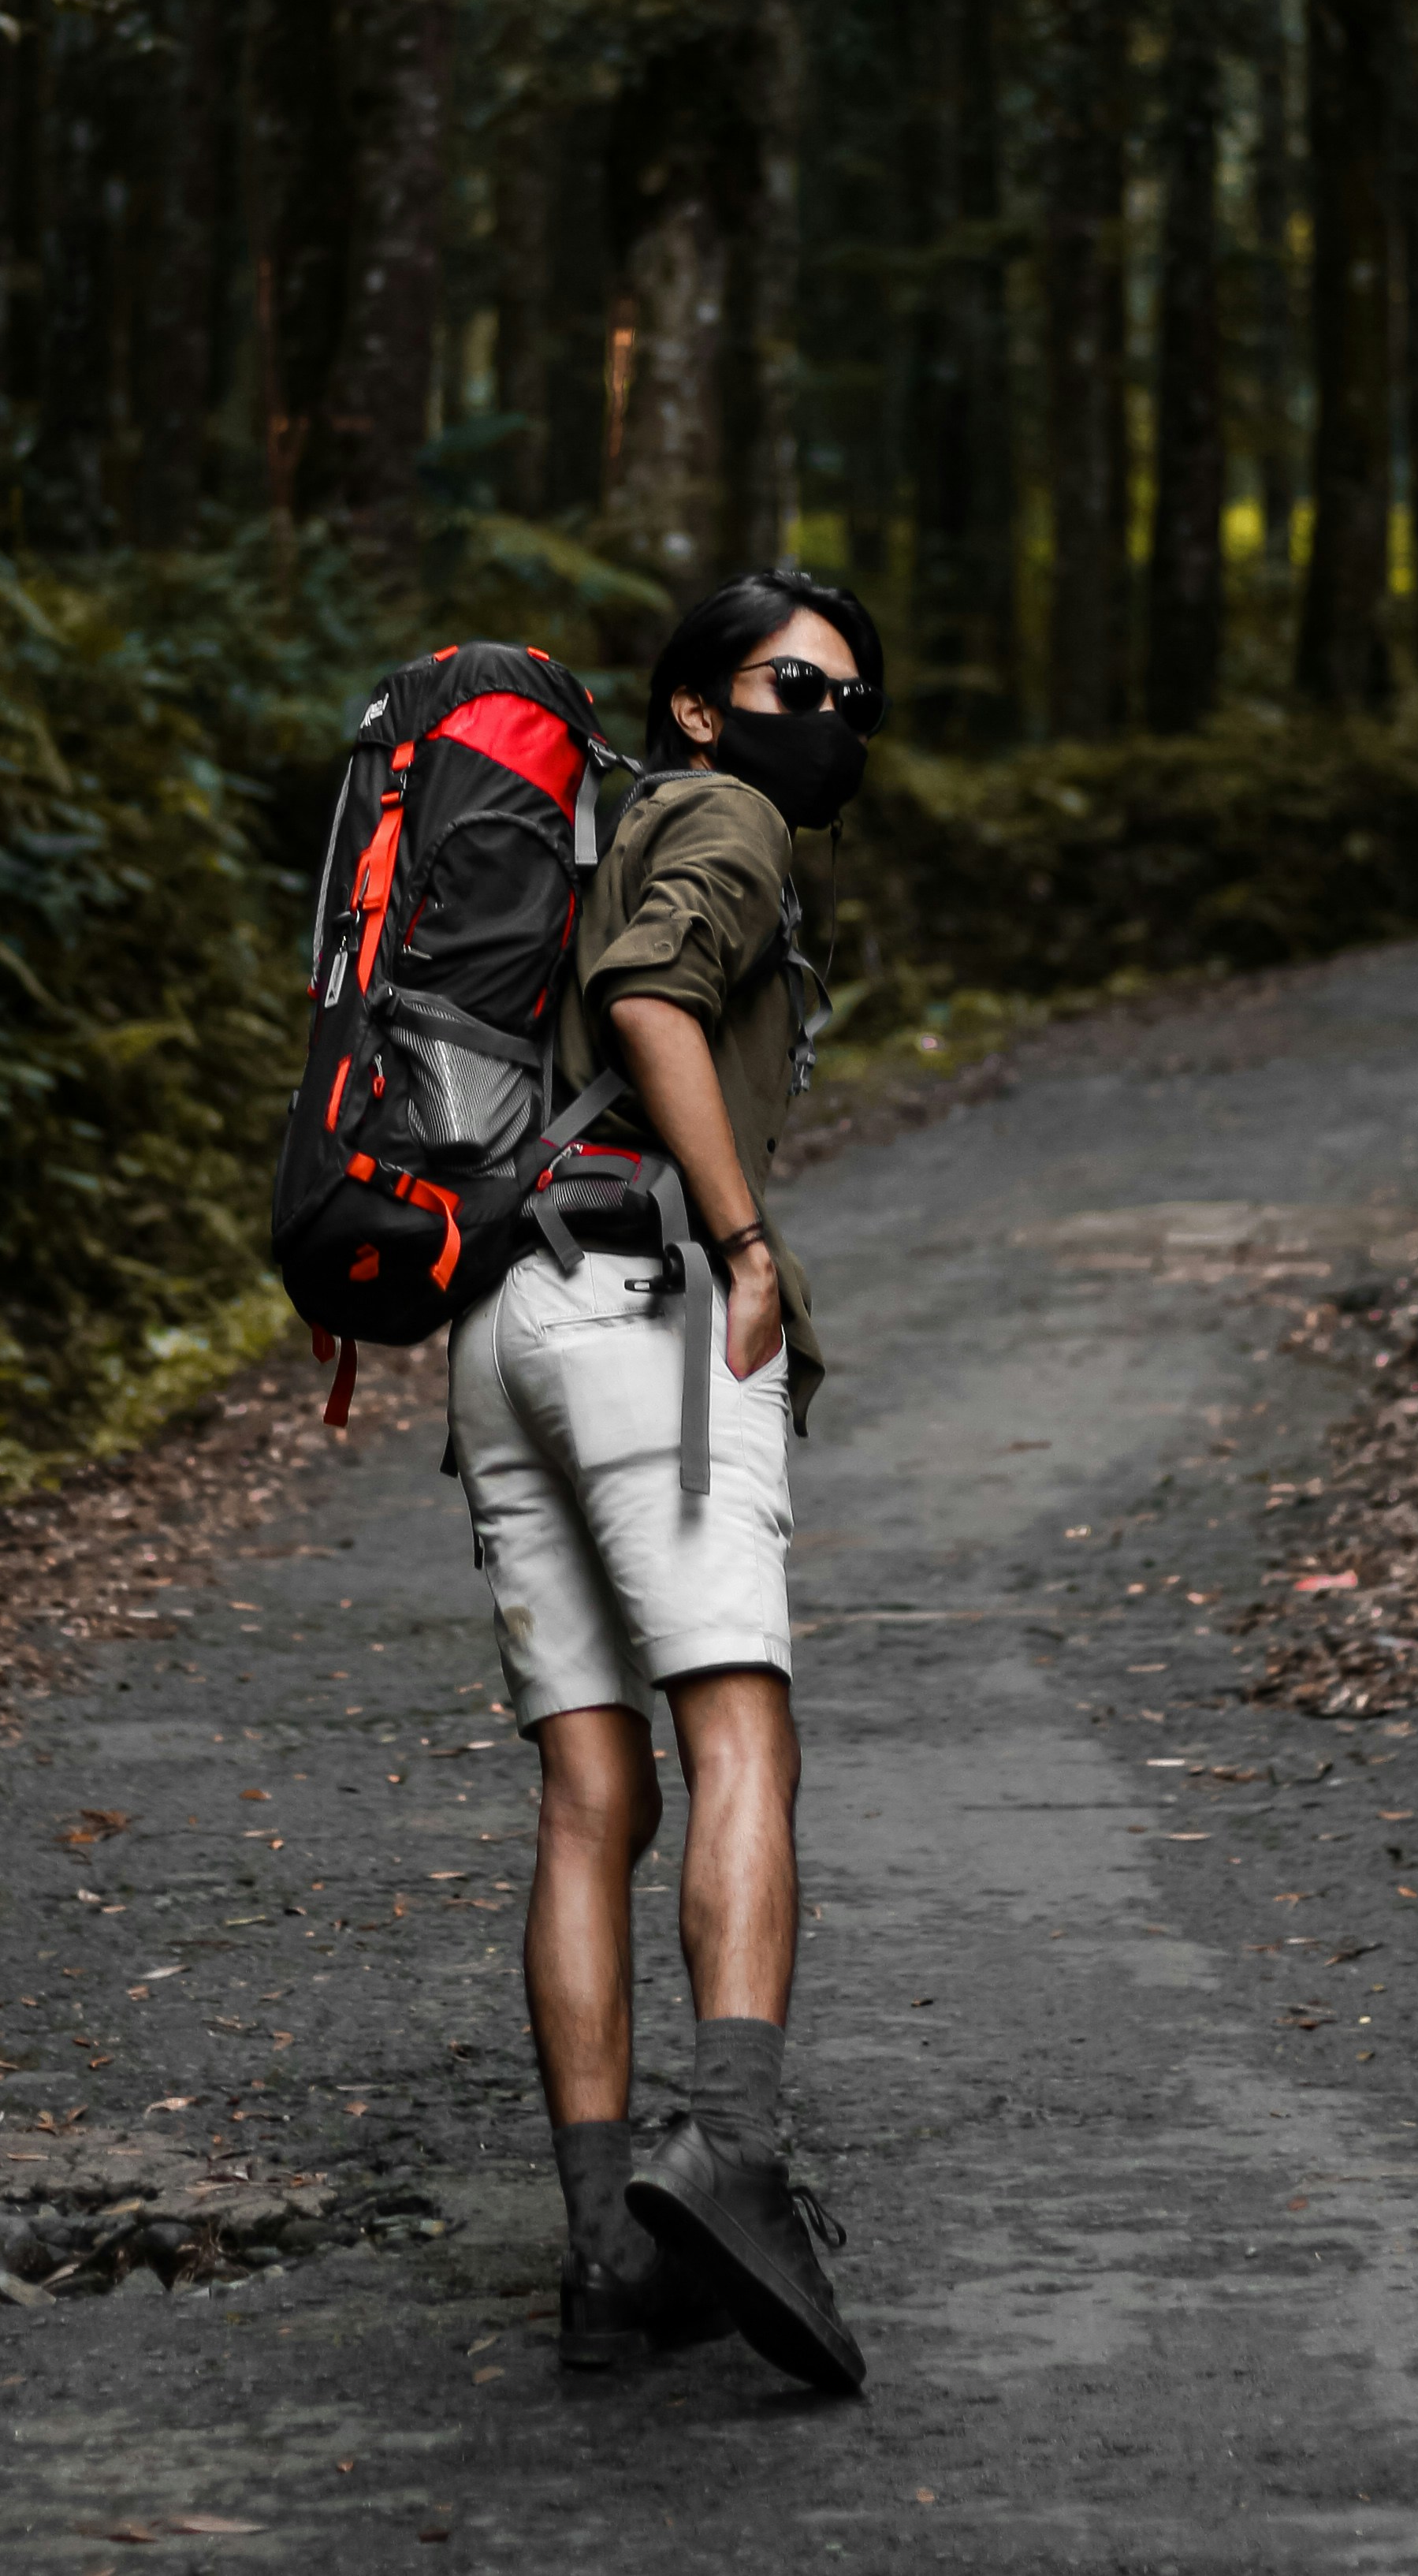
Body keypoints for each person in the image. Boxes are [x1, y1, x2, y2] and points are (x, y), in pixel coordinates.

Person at [445, 562, 885, 2395]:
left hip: (505, 1314)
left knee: (586, 1787)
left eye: (856, 700)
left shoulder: (626, 822)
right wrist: (747, 1239)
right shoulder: (719, 816)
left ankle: (604, 2254)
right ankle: (731, 2148)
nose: (830, 723)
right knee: (741, 1732)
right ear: (699, 706)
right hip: (639, 1297)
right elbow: (646, 1001)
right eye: (798, 685)